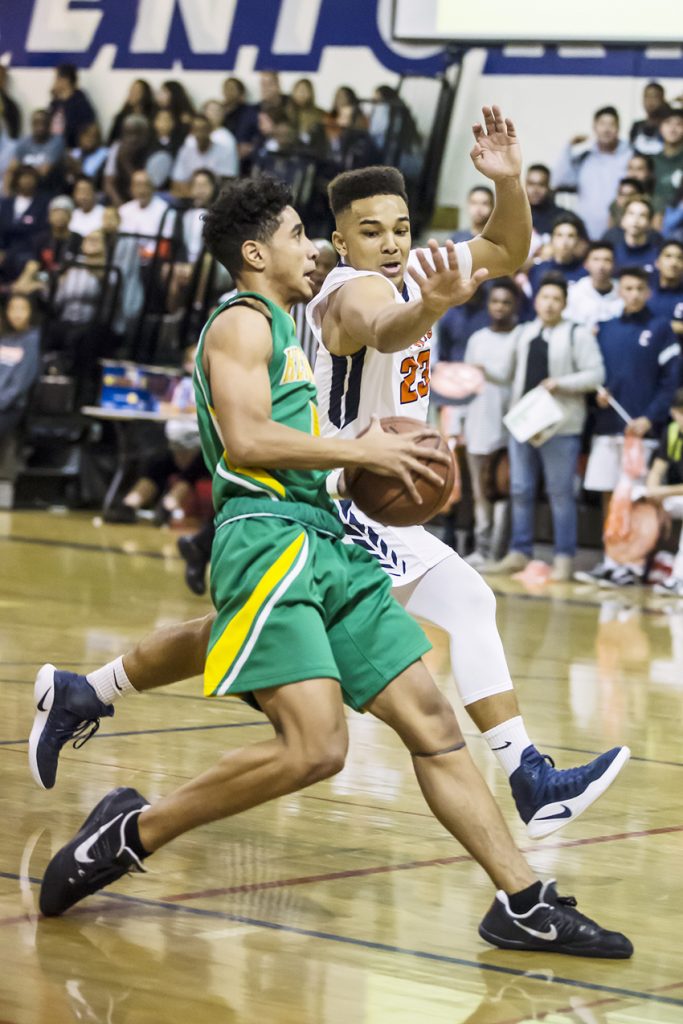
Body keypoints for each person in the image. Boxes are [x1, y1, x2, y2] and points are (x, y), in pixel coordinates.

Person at [33, 174, 632, 960]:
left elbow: (485, 261)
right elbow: (246, 442)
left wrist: (506, 179)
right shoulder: (244, 323)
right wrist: (366, 447)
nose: (308, 245)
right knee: (316, 749)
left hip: (328, 535)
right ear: (255, 253)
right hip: (270, 537)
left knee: (432, 723)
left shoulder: (284, 324)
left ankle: (521, 900)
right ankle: (131, 830)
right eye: (293, 234)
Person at [483, 275, 605, 581]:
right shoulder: (524, 332)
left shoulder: (577, 333)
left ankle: (564, 558)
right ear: (535, 302)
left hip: (559, 427)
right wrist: (479, 370)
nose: (549, 304)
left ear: (564, 304)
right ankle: (519, 553)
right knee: (520, 490)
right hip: (523, 424)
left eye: (556, 299)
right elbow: (509, 374)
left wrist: (561, 383)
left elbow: (596, 374)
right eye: (544, 297)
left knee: (560, 494)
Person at [579, 266, 681, 586]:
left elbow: (671, 382)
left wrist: (650, 417)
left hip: (643, 432)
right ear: (619, 291)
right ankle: (612, 561)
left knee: (636, 499)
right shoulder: (605, 329)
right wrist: (597, 394)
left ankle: (633, 566)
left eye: (639, 289)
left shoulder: (661, 328)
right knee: (612, 496)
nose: (634, 294)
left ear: (648, 292)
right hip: (608, 427)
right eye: (628, 288)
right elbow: (593, 373)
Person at [462, 280, 519, 564]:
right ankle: (482, 549)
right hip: (476, 425)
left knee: (504, 490)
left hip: (509, 428)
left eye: (506, 302)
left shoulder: (521, 337)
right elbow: (466, 384)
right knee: (480, 491)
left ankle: (499, 551)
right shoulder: (477, 339)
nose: (499, 307)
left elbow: (512, 377)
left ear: (515, 306)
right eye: (495, 301)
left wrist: (490, 372)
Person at [553, 106, 632, 239]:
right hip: (584, 233)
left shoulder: (630, 156)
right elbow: (558, 182)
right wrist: (568, 148)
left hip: (619, 233)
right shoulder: (585, 157)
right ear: (594, 127)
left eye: (611, 124)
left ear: (618, 128)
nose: (606, 129)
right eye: (602, 124)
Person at [646, 388, 683, 596]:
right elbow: (656, 471)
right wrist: (654, 494)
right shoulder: (670, 432)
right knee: (635, 498)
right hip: (675, 498)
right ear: (673, 413)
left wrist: (663, 492)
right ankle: (625, 568)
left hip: (675, 495)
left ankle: (679, 578)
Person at [171, 114, 238, 197]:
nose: (200, 133)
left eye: (203, 129)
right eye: (196, 129)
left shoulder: (225, 151)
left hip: (218, 199)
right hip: (190, 198)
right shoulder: (185, 151)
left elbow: (228, 183)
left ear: (211, 130)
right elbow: (176, 183)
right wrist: (194, 195)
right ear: (191, 132)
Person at [565, 240, 623, 329]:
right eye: (596, 259)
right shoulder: (574, 293)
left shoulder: (624, 291)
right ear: (586, 264)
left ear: (614, 265)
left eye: (607, 260)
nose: (601, 266)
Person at [527, 215, 588, 295]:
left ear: (578, 241)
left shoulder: (584, 274)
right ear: (552, 239)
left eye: (571, 236)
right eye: (559, 235)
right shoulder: (537, 270)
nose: (564, 242)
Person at [47, 63, 97, 148]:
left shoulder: (80, 102)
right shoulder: (55, 103)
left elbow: (85, 128)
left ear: (65, 80)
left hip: (72, 147)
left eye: (57, 78)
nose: (54, 82)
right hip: (53, 146)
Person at [610, 196, 660, 271]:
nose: (636, 220)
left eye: (642, 215)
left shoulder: (658, 256)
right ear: (622, 219)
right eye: (631, 214)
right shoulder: (612, 254)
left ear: (649, 223)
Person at [652, 108, 683, 219]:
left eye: (679, 124)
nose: (673, 129)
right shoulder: (651, 161)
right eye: (668, 123)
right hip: (652, 220)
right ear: (660, 128)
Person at [649, 238, 683, 335]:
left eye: (680, 258)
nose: (673, 263)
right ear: (657, 263)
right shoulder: (645, 292)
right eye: (668, 256)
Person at [108, 79, 155, 144]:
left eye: (137, 91)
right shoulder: (121, 117)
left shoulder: (152, 117)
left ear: (145, 94)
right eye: (131, 90)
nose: (132, 94)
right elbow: (111, 141)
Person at [525, 163, 563, 242]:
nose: (535, 190)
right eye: (531, 184)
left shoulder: (562, 217)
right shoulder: (512, 214)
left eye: (541, 185)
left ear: (549, 187)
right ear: (524, 185)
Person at [629, 81, 666, 156]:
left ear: (662, 99)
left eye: (654, 96)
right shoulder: (636, 126)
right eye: (647, 96)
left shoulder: (668, 128)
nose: (650, 101)